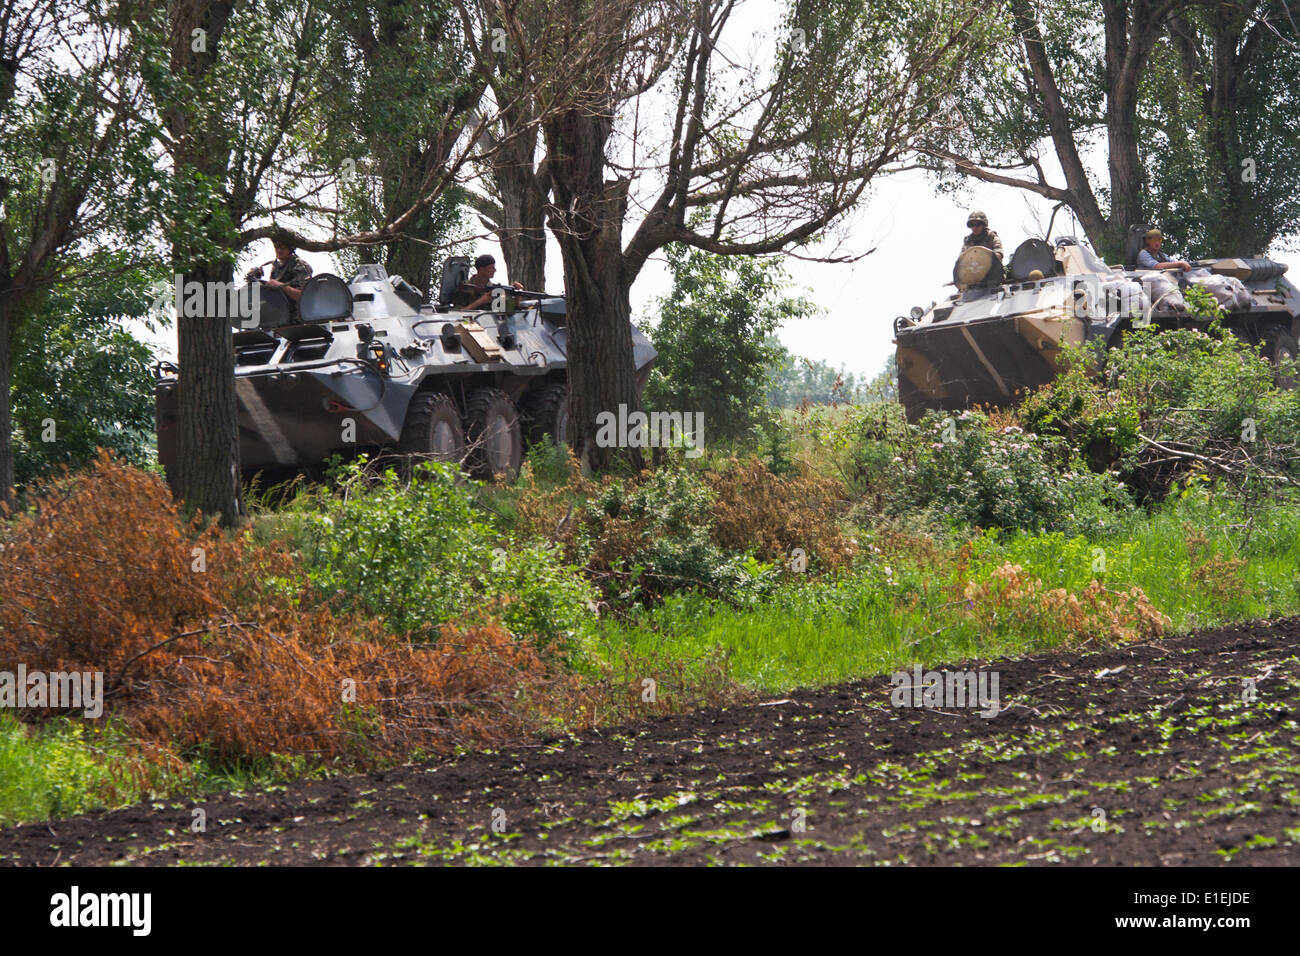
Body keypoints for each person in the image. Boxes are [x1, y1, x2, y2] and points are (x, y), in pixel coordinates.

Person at [247, 236, 313, 319]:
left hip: (297, 319)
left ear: (291, 249)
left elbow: (303, 296)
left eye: (283, 248)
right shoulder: (276, 267)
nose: (279, 251)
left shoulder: (300, 267)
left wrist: (280, 285)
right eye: (276, 247)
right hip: (278, 317)